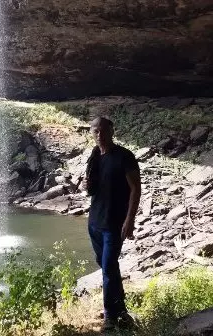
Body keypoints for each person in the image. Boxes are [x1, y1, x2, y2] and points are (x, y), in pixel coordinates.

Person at [83, 116, 141, 331]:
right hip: (94, 222)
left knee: (108, 267)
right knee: (108, 267)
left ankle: (109, 316)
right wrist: (86, 185)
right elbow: (92, 189)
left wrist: (130, 219)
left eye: (103, 130)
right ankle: (121, 309)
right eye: (96, 131)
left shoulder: (124, 156)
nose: (100, 135)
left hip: (114, 224)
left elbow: (136, 188)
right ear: (92, 133)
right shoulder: (95, 155)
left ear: (111, 131)